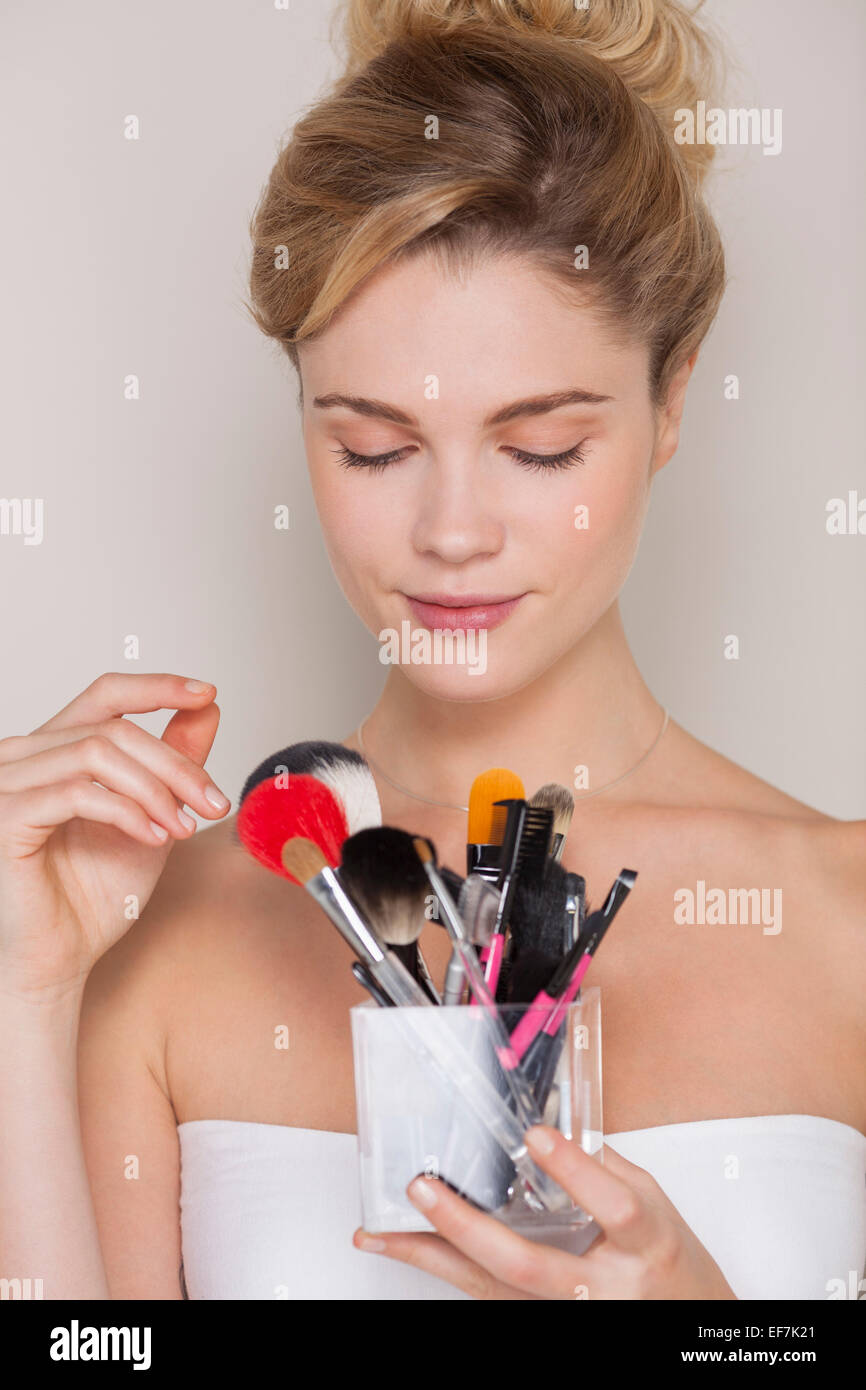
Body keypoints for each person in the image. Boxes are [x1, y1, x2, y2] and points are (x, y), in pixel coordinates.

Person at [1, 0, 863, 1302]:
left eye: (539, 447)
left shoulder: (844, 920)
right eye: (374, 447)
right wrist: (21, 990)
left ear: (673, 395)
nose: (450, 531)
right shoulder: (152, 933)